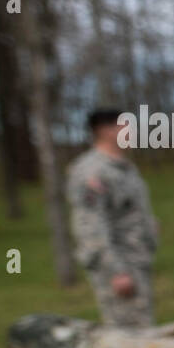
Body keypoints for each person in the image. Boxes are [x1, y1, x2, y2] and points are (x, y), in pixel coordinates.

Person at [66, 107, 159, 327]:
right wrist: (116, 272)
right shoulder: (92, 171)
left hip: (136, 257)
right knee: (130, 331)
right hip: (118, 262)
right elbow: (90, 226)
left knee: (142, 324)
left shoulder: (124, 166)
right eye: (126, 125)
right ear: (106, 130)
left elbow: (125, 209)